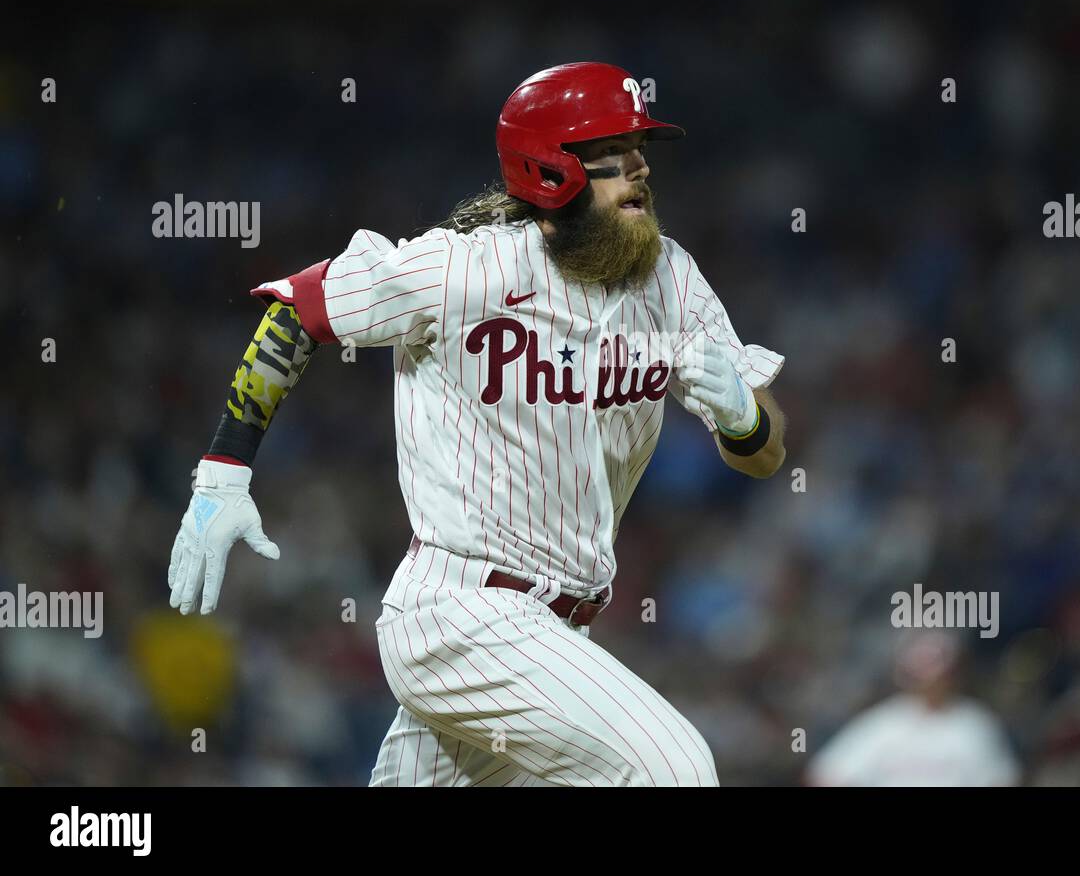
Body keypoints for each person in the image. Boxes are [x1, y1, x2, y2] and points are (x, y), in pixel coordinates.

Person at [166, 62, 787, 786]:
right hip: (460, 614)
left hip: (551, 631)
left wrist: (745, 420)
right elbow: (298, 307)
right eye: (616, 154)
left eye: (643, 150)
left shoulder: (670, 279)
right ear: (552, 170)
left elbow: (766, 456)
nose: (641, 171)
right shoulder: (465, 270)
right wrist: (222, 473)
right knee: (673, 770)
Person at [807, 633, 1019, 786]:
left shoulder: (975, 723)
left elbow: (1001, 779)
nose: (933, 682)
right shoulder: (886, 721)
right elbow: (827, 774)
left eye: (940, 673)